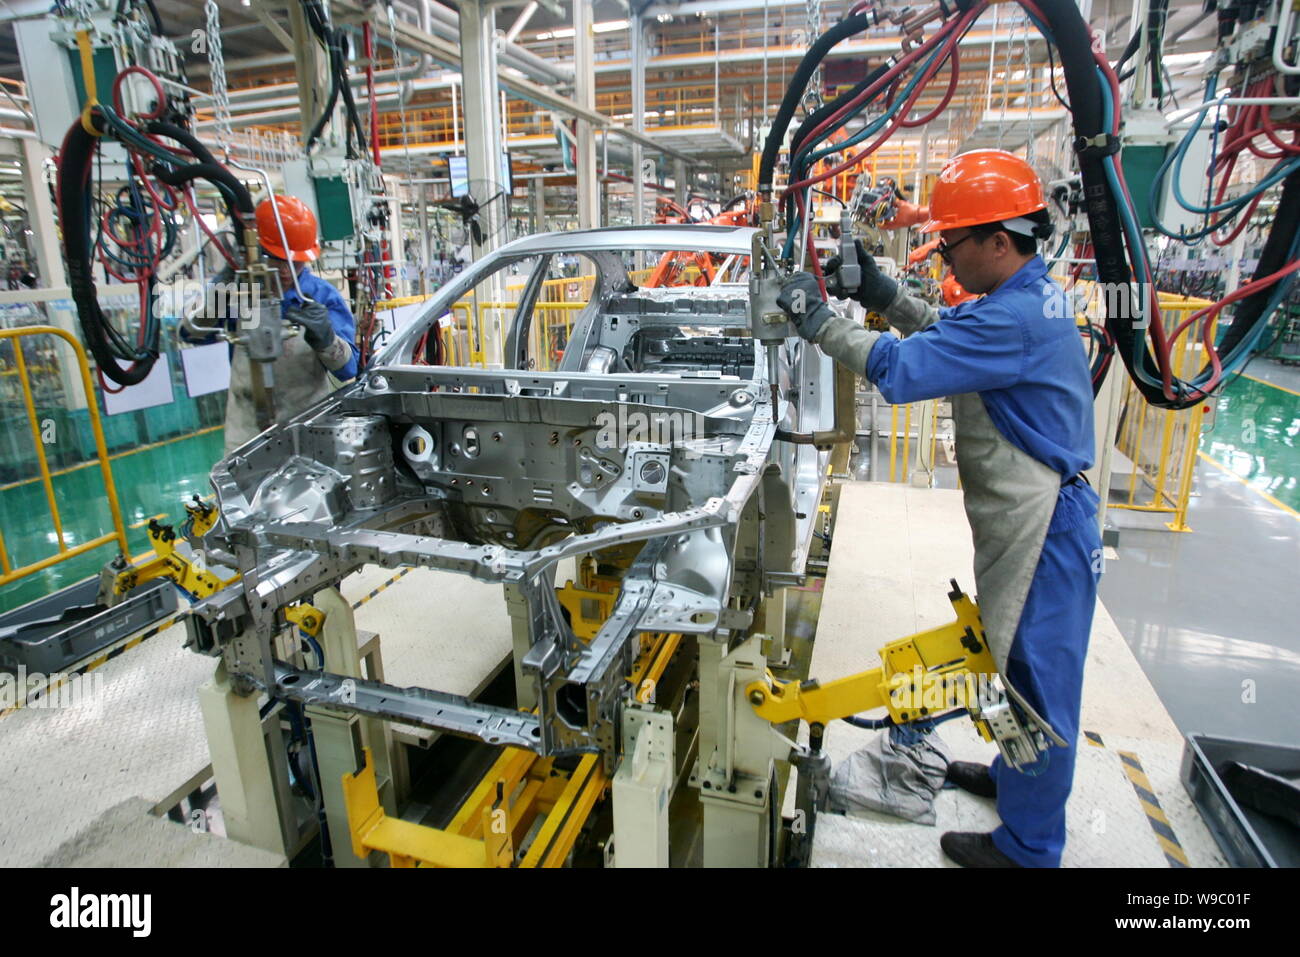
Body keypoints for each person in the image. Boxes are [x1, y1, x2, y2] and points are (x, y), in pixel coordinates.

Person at [777, 149, 1102, 868]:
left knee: (1037, 686)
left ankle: (1028, 847)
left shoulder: (1013, 320)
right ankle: (1013, 781)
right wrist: (887, 291)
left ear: (999, 239)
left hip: (1045, 530)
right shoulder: (1022, 299)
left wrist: (816, 321)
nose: (947, 259)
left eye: (953, 243)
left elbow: (901, 368)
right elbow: (945, 335)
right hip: (1040, 522)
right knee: (1014, 662)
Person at [223, 195, 359, 452]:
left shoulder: (320, 296)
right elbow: (191, 332)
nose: (286, 271)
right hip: (245, 431)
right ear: (256, 251)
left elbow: (348, 369)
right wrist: (216, 292)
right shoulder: (236, 291)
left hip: (307, 427)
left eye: (295, 263)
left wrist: (328, 342)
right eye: (277, 259)